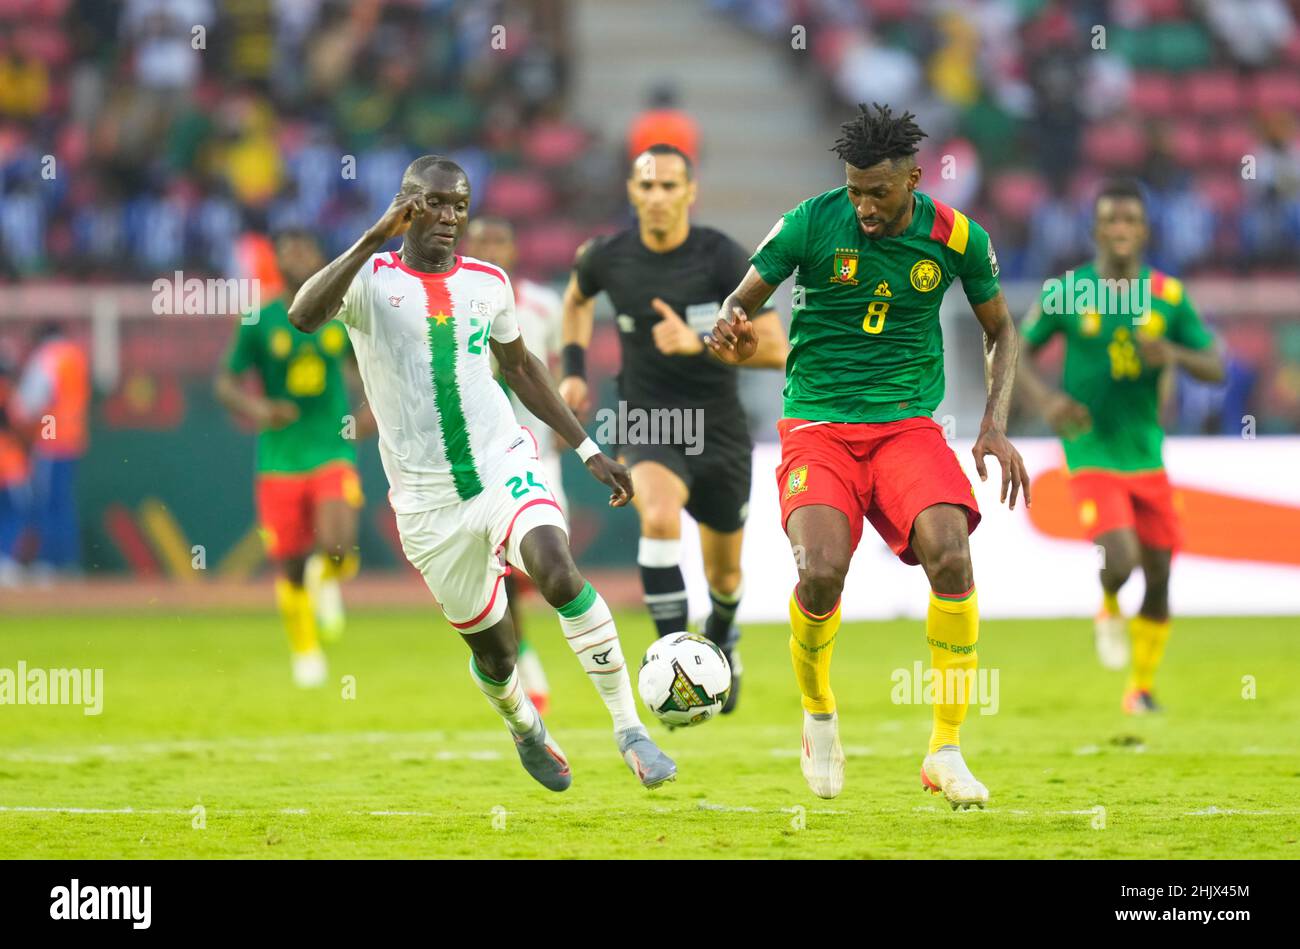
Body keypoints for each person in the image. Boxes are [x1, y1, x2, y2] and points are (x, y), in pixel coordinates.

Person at [286, 155, 676, 791]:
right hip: (426, 504)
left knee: (555, 568)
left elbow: (521, 368)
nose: (449, 217)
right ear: (405, 206)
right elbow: (303, 314)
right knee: (495, 655)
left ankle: (630, 729)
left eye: (459, 205)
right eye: (435, 203)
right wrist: (370, 238)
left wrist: (587, 451)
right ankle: (525, 727)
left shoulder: (488, 283)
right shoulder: (368, 279)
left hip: (503, 464)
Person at [707, 103, 1029, 809]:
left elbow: (1003, 330)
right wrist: (730, 327)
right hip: (818, 425)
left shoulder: (957, 237)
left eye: (878, 192)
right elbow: (741, 300)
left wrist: (995, 422)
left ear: (913, 177)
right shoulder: (810, 220)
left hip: (906, 426)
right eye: (854, 189)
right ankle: (818, 710)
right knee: (820, 572)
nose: (864, 206)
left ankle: (945, 747)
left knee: (951, 553)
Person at [559, 143, 788, 714]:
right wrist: (573, 371)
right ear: (632, 193)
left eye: (669, 186)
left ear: (690, 192)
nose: (657, 196)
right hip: (649, 419)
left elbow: (778, 349)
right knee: (658, 518)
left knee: (726, 574)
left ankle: (724, 635)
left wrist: (702, 345)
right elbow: (577, 299)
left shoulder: (721, 257)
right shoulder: (607, 255)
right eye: (647, 186)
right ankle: (672, 660)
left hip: (721, 428)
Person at [1017, 179, 1224, 714]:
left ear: (1145, 229)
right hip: (1089, 445)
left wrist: (1173, 353)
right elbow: (1015, 349)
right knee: (1122, 558)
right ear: (1096, 230)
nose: (1121, 230)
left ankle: (1140, 687)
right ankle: (1108, 602)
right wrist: (1046, 402)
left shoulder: (1169, 296)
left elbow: (1216, 366)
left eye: (1131, 220)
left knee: (1159, 573)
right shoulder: (1068, 292)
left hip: (1145, 450)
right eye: (1111, 220)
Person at [216, 229, 372, 687]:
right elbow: (225, 383)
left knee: (339, 544)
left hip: (330, 446)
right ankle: (305, 651)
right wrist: (259, 409)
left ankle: (329, 581)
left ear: (319, 256)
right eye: (289, 250)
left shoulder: (337, 315)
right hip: (280, 458)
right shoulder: (259, 320)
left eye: (305, 247)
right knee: (289, 561)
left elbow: (366, 368)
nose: (298, 255)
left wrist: (371, 410)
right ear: (277, 261)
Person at [462, 215, 564, 713]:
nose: (488, 247)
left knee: (548, 567)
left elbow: (556, 367)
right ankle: (522, 657)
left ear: (513, 247)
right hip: (482, 455)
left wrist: (570, 418)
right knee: (501, 567)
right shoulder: (450, 303)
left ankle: (531, 652)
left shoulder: (543, 304)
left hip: (540, 450)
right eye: (478, 239)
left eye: (498, 238)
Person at [9, 322, 90, 580]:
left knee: (47, 503)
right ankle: (66, 562)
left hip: (50, 439)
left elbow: (28, 403)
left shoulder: (47, 357)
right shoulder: (75, 356)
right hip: (72, 439)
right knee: (63, 503)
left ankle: (48, 562)